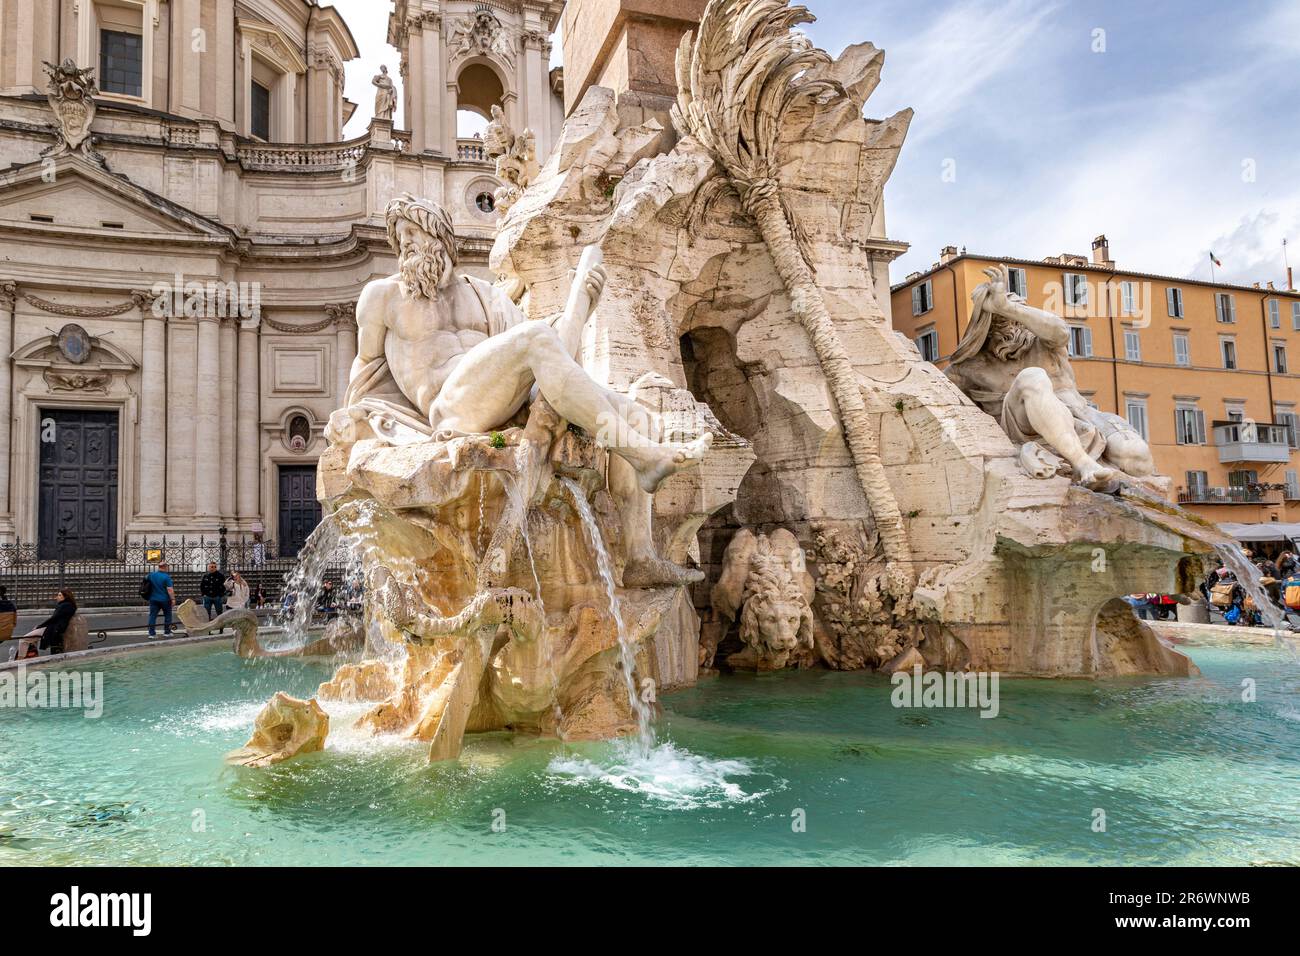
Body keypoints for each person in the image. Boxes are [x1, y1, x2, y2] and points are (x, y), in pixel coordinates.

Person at [945, 264, 1155, 489]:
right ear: (984, 327)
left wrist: (1006, 307)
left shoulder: (1045, 342)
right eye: (1001, 320)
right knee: (1032, 378)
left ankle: (1092, 461)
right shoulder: (970, 368)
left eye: (1017, 317)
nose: (1013, 326)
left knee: (1136, 457)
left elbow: (1060, 330)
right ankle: (1082, 463)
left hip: (1082, 417)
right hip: (1025, 428)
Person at [18, 588, 77, 656]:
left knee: (24, 639)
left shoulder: (64, 606)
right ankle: (32, 656)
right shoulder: (70, 606)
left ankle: (20, 660)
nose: (56, 597)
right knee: (32, 640)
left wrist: (39, 626)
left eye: (59, 595)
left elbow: (53, 619)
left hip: (53, 629)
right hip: (57, 629)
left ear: (65, 597)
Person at [147, 561, 176, 638]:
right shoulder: (166, 577)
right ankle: (167, 632)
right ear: (165, 567)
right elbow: (170, 589)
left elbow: (146, 581)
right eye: (167, 567)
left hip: (153, 599)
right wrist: (173, 599)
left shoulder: (151, 575)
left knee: (152, 616)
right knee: (168, 616)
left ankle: (151, 634)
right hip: (165, 600)